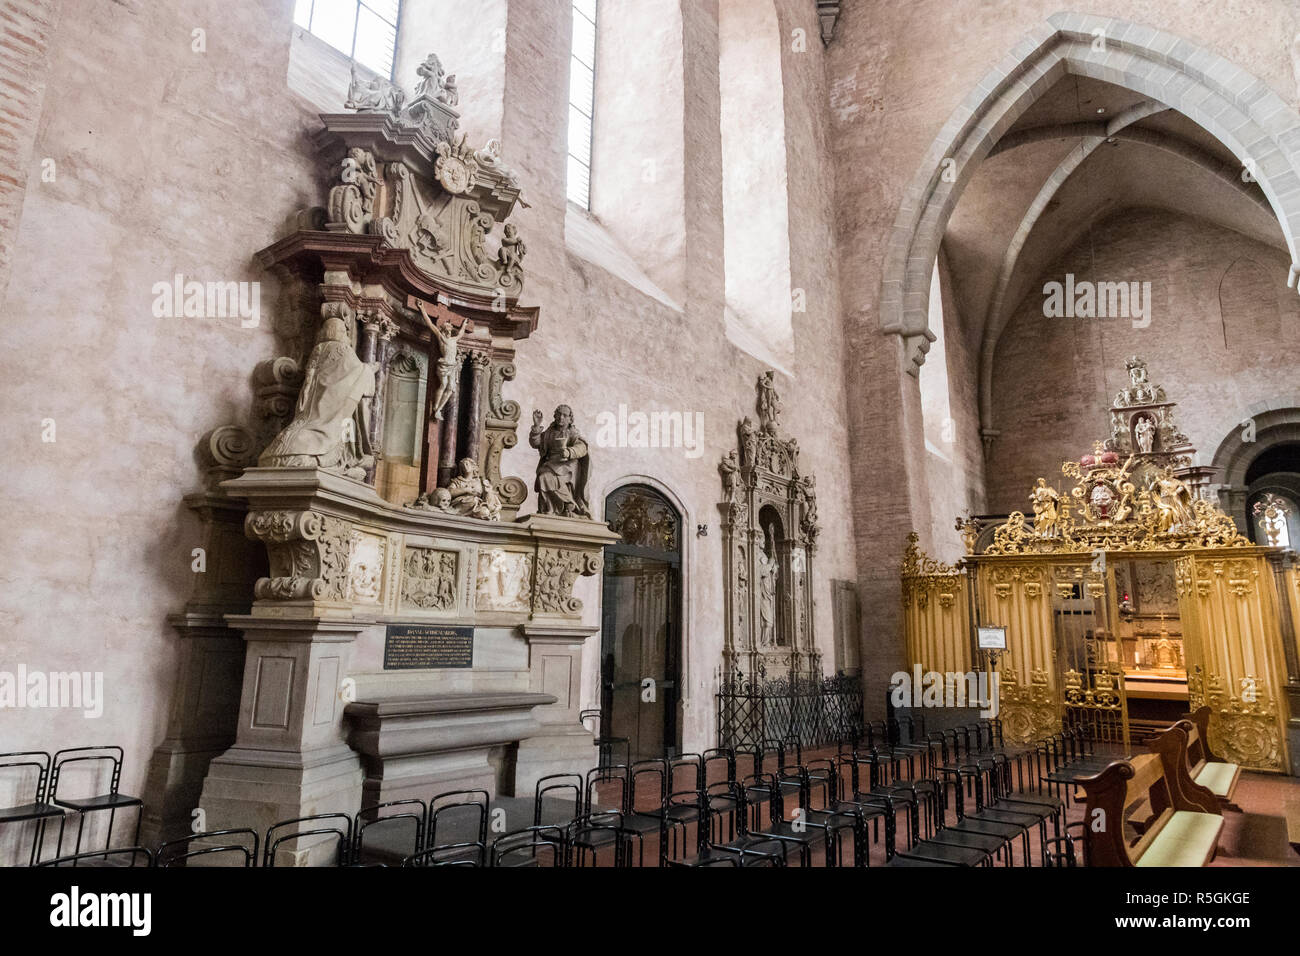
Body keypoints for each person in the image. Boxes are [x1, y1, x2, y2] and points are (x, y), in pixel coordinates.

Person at [259, 314, 375, 479]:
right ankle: (342, 463)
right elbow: (357, 372)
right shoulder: (344, 350)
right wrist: (369, 370)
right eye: (344, 331)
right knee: (354, 456)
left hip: (299, 424)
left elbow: (312, 382)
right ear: (342, 333)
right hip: (324, 427)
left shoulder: (318, 349)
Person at [529, 405, 590, 517]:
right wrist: (537, 426)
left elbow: (582, 447)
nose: (561, 417)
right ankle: (551, 508)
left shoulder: (573, 433)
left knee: (547, 475)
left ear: (570, 419)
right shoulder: (549, 432)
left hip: (568, 465)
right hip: (551, 463)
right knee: (544, 475)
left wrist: (569, 452)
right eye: (559, 414)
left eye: (564, 415)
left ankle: (568, 504)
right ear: (555, 416)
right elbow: (536, 443)